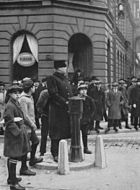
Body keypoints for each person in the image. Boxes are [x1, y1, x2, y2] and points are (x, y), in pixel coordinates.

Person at [3, 85, 30, 190]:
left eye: (19, 93)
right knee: (13, 157)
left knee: (12, 156)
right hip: (13, 135)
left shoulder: (15, 102)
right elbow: (8, 121)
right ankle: (13, 184)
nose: (18, 95)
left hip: (15, 133)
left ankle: (11, 178)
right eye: (15, 93)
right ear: (10, 94)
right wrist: (17, 132)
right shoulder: (10, 105)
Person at [47, 60, 73, 162]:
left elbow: (68, 92)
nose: (65, 69)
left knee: (64, 131)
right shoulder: (52, 79)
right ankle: (55, 153)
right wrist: (65, 102)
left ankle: (62, 151)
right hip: (56, 110)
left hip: (65, 110)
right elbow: (53, 94)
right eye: (64, 67)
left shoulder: (65, 79)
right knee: (56, 132)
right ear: (58, 68)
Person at [18, 78, 43, 169]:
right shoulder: (23, 99)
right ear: (30, 88)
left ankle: (32, 159)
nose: (35, 88)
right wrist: (32, 124)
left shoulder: (29, 97)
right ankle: (23, 168)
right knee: (25, 147)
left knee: (35, 142)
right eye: (34, 87)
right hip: (26, 126)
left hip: (30, 126)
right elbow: (25, 115)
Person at [77, 82, 96, 154]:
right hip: (77, 120)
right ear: (79, 91)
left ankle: (85, 148)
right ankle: (77, 148)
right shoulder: (76, 99)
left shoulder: (89, 99)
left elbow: (93, 109)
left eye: (85, 90)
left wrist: (89, 118)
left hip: (85, 120)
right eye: (81, 90)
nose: (83, 91)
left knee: (85, 135)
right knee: (76, 135)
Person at [36, 77, 49, 156]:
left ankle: (55, 152)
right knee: (44, 134)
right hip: (46, 116)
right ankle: (42, 151)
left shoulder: (57, 92)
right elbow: (39, 105)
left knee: (55, 135)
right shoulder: (44, 93)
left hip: (55, 116)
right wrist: (42, 113)